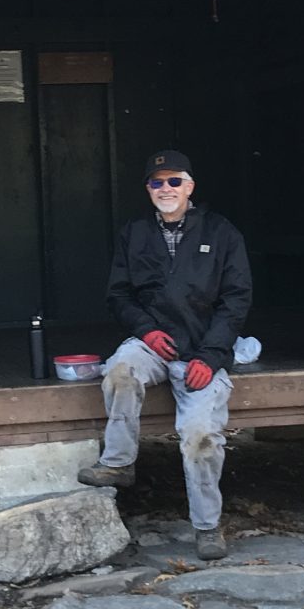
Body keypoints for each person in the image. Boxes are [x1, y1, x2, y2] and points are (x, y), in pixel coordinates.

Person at [77, 149, 253, 561]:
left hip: (203, 349)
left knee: (200, 435)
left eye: (174, 181)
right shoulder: (135, 232)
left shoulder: (222, 232)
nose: (165, 189)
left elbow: (236, 301)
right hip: (153, 342)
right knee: (120, 370)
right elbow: (118, 295)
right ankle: (119, 462)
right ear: (148, 189)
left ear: (190, 186)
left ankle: (207, 527)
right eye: (157, 182)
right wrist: (146, 330)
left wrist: (210, 356)